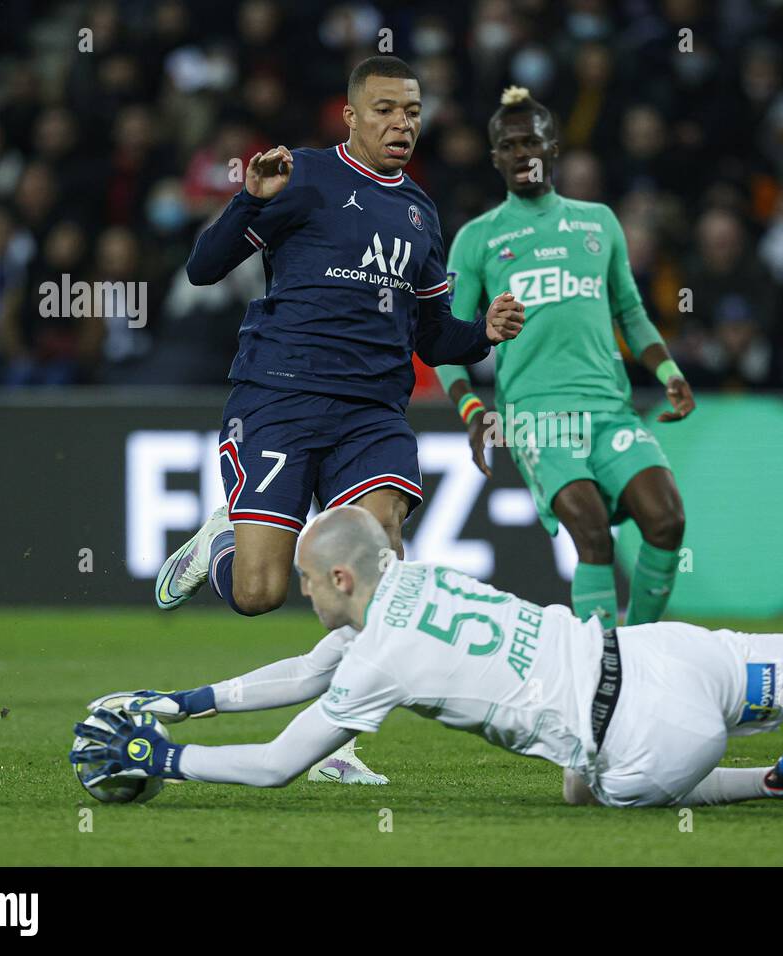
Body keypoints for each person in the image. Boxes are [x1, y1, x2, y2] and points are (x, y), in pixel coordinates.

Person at [73, 507, 783, 809]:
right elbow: (322, 668)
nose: (305, 601)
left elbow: (276, 763)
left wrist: (165, 756)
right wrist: (188, 697)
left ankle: (777, 777)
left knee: (586, 788)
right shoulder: (417, 582)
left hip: (645, 741)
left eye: (311, 586)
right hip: (669, 654)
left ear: (345, 582)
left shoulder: (371, 647)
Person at [151, 56, 525, 784]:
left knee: (380, 568)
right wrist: (248, 201)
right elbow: (202, 269)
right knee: (259, 594)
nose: (402, 124)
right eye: (385, 110)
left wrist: (485, 331)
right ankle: (221, 539)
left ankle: (337, 745)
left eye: (412, 111)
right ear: (351, 115)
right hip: (280, 398)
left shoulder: (420, 210)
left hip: (371, 414)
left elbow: (431, 334)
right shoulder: (306, 176)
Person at [436, 87, 694, 631]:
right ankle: (603, 668)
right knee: (592, 531)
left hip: (609, 408)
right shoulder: (478, 238)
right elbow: (446, 340)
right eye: (509, 145)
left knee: (667, 521)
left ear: (554, 149)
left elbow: (630, 312)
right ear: (495, 158)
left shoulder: (598, 222)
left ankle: (640, 650)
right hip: (536, 417)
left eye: (533, 141)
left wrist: (668, 372)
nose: (521, 152)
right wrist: (471, 411)